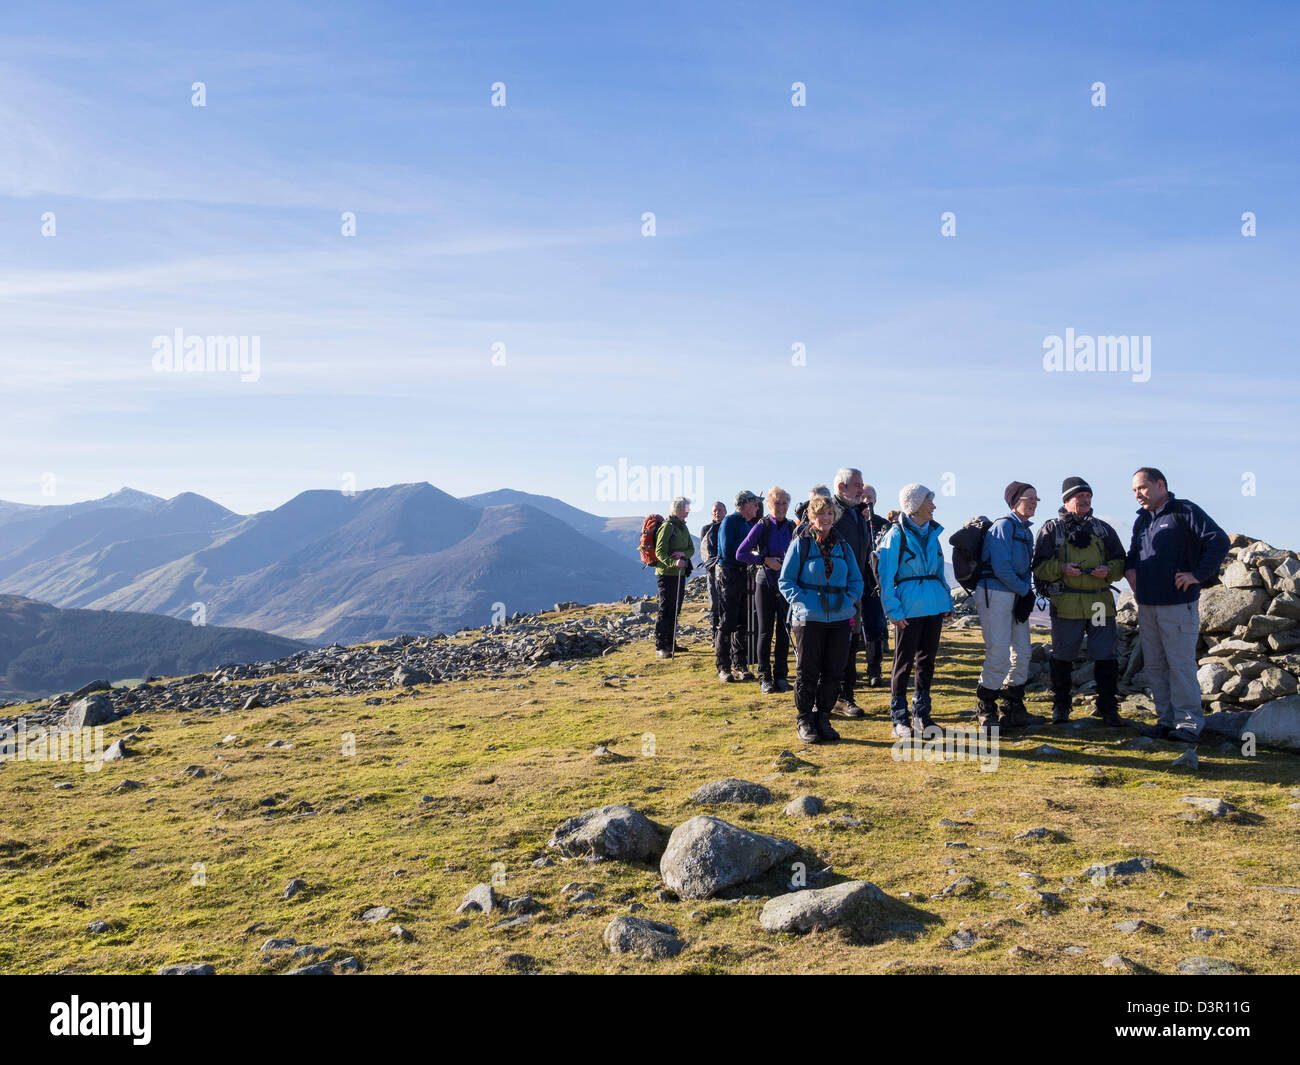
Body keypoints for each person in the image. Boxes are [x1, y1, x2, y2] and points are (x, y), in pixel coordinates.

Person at [1125, 468, 1230, 744]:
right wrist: (1130, 570)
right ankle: (1166, 720)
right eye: (1134, 490)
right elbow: (1133, 554)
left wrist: (1197, 574)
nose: (1137, 494)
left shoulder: (1185, 511)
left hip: (1178, 604)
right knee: (1156, 665)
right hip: (1147, 605)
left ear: (1161, 484)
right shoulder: (1142, 521)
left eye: (1142, 488)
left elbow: (1218, 540)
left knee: (1180, 665)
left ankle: (1188, 724)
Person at [1032, 477, 1128, 725]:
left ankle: (1108, 708)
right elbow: (1039, 567)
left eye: (1088, 497)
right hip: (1067, 602)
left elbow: (1121, 562)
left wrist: (1108, 570)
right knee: (1062, 656)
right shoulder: (1051, 529)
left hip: (1098, 603)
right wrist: (1062, 568)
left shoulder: (1103, 529)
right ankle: (1061, 708)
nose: (1086, 500)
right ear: (1066, 501)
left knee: (1105, 655)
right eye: (1080, 497)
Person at [779, 495, 864, 744]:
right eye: (820, 514)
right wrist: (803, 602)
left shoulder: (843, 545)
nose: (826, 519)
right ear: (812, 517)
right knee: (807, 671)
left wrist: (849, 599)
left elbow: (856, 579)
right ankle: (804, 719)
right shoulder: (801, 544)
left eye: (830, 514)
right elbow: (785, 582)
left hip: (840, 617)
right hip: (808, 619)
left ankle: (823, 717)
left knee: (833, 670)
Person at [875, 484, 954, 738]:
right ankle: (899, 718)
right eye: (929, 501)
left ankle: (922, 715)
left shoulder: (932, 533)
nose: (933, 506)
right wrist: (893, 611)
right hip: (907, 608)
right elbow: (885, 578)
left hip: (933, 605)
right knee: (903, 662)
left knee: (927, 661)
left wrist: (947, 602)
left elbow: (939, 571)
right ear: (915, 506)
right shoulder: (895, 535)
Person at [974, 481, 1045, 730]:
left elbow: (1024, 567)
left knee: (1023, 652)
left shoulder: (1025, 531)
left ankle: (1013, 707)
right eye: (1030, 498)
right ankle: (986, 709)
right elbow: (1001, 565)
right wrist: (1025, 590)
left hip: (1014, 593)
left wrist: (1025, 592)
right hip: (994, 593)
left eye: (1037, 498)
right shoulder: (1003, 526)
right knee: (999, 651)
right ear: (1015, 501)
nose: (1035, 502)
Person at [737, 487, 796, 693]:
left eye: (784, 503)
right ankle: (764, 677)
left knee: (784, 630)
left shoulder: (791, 527)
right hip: (765, 582)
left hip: (786, 585)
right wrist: (764, 560)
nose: (780, 507)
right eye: (776, 503)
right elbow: (740, 553)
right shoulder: (762, 526)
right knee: (764, 631)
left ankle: (781, 676)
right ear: (769, 505)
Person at [830, 467, 872, 720]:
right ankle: (834, 697)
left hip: (854, 591)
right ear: (841, 488)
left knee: (851, 643)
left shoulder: (857, 515)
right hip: (834, 592)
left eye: (862, 484)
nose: (862, 489)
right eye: (857, 485)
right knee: (835, 643)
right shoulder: (832, 514)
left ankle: (845, 695)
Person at [715, 490, 760, 682]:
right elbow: (728, 550)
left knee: (742, 621)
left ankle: (739, 664)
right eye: (754, 504)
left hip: (743, 574)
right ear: (744, 505)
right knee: (727, 621)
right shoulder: (730, 521)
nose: (757, 508)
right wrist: (751, 553)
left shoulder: (747, 523)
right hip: (729, 574)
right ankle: (723, 667)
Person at [653, 497, 694, 658]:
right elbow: (659, 552)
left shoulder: (683, 527)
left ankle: (671, 642)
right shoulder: (667, 527)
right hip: (666, 574)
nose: (688, 510)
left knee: (675, 608)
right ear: (678, 509)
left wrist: (683, 555)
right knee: (666, 609)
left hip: (680, 573)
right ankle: (661, 646)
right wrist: (673, 562)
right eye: (686, 508)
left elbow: (691, 549)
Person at [859, 483, 890, 688]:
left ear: (875, 500)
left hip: (874, 582)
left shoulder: (884, 525)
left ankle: (874, 671)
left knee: (875, 627)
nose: (866, 500)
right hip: (853, 580)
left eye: (869, 497)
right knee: (848, 629)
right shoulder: (848, 522)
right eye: (862, 496)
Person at [700, 501, 727, 642]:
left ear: (725, 512)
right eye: (715, 510)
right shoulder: (706, 529)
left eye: (720, 510)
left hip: (727, 572)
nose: (717, 512)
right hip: (712, 572)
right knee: (714, 604)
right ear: (712, 513)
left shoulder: (729, 527)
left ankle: (725, 635)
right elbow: (704, 551)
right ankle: (714, 637)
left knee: (726, 603)